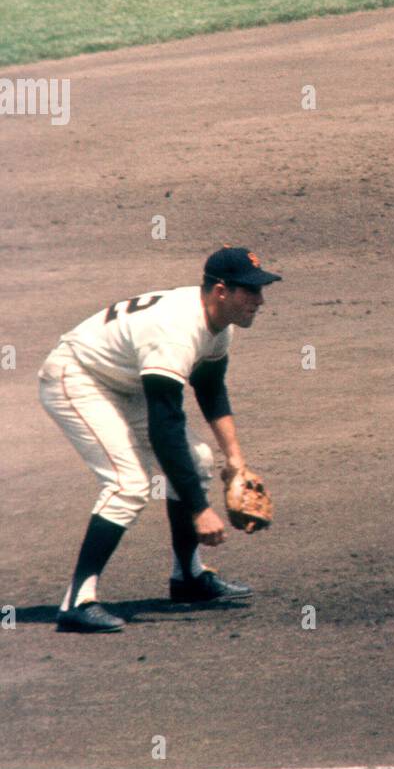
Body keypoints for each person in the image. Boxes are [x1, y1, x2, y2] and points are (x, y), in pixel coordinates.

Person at [38, 247, 281, 633]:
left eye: (260, 290)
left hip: (124, 382)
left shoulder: (219, 326)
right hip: (77, 378)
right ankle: (77, 601)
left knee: (199, 459)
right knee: (127, 483)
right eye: (250, 291)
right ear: (221, 291)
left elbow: (210, 388)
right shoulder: (176, 331)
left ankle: (187, 577)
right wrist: (200, 509)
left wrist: (235, 459)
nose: (260, 300)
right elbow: (165, 427)